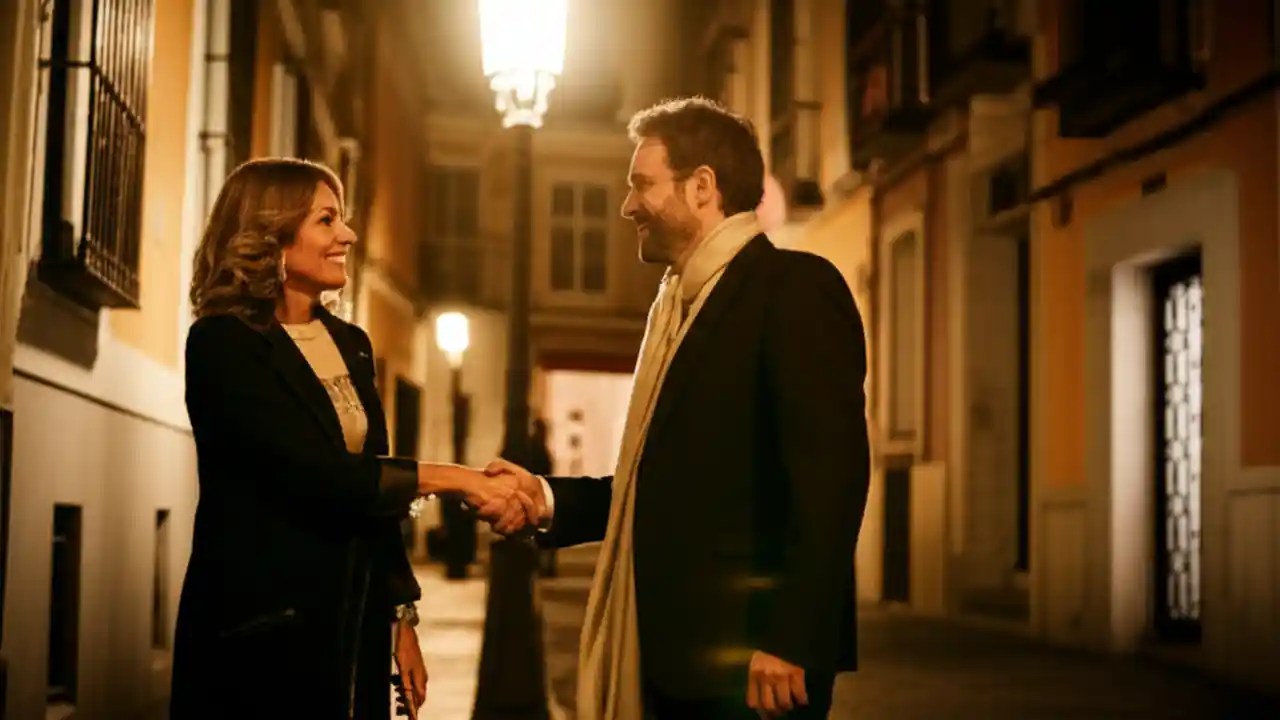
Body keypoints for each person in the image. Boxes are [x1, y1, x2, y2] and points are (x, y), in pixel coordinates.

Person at [487, 97, 871, 719]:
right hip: (673, 658)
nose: (627, 205)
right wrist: (545, 497)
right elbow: (666, 488)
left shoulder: (794, 290)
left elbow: (830, 480)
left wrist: (790, 637)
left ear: (701, 188)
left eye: (642, 185)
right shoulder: (676, 309)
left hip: (753, 666)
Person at [171, 158, 531, 719]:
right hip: (263, 632)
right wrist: (457, 479)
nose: (348, 235)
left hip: (352, 626)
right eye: (326, 220)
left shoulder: (350, 342)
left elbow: (374, 501)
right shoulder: (223, 344)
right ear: (273, 234)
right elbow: (314, 474)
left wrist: (401, 620)